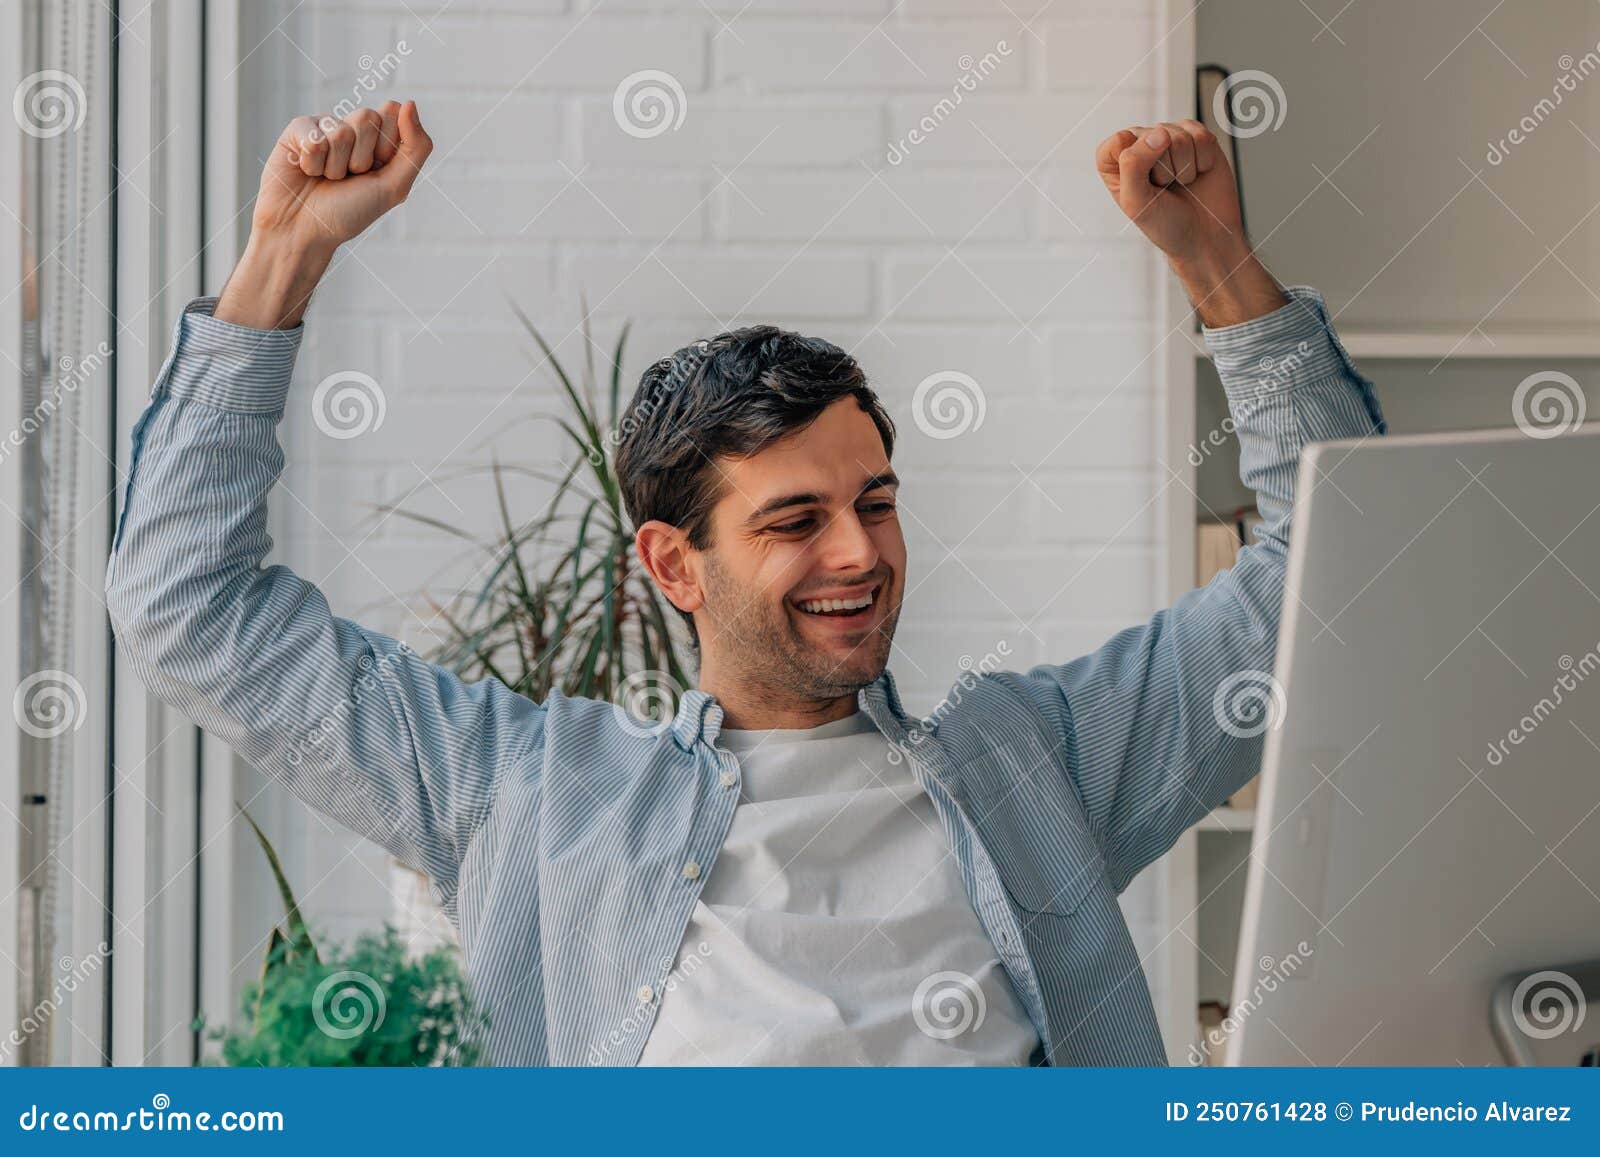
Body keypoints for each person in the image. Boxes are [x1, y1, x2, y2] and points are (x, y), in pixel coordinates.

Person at [104, 99, 1386, 1065]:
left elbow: (1341, 575)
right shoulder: (527, 788)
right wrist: (282, 262)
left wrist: (1218, 266)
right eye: (796, 520)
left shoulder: (1036, 760)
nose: (859, 552)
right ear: (673, 562)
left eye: (875, 503)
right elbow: (185, 604)